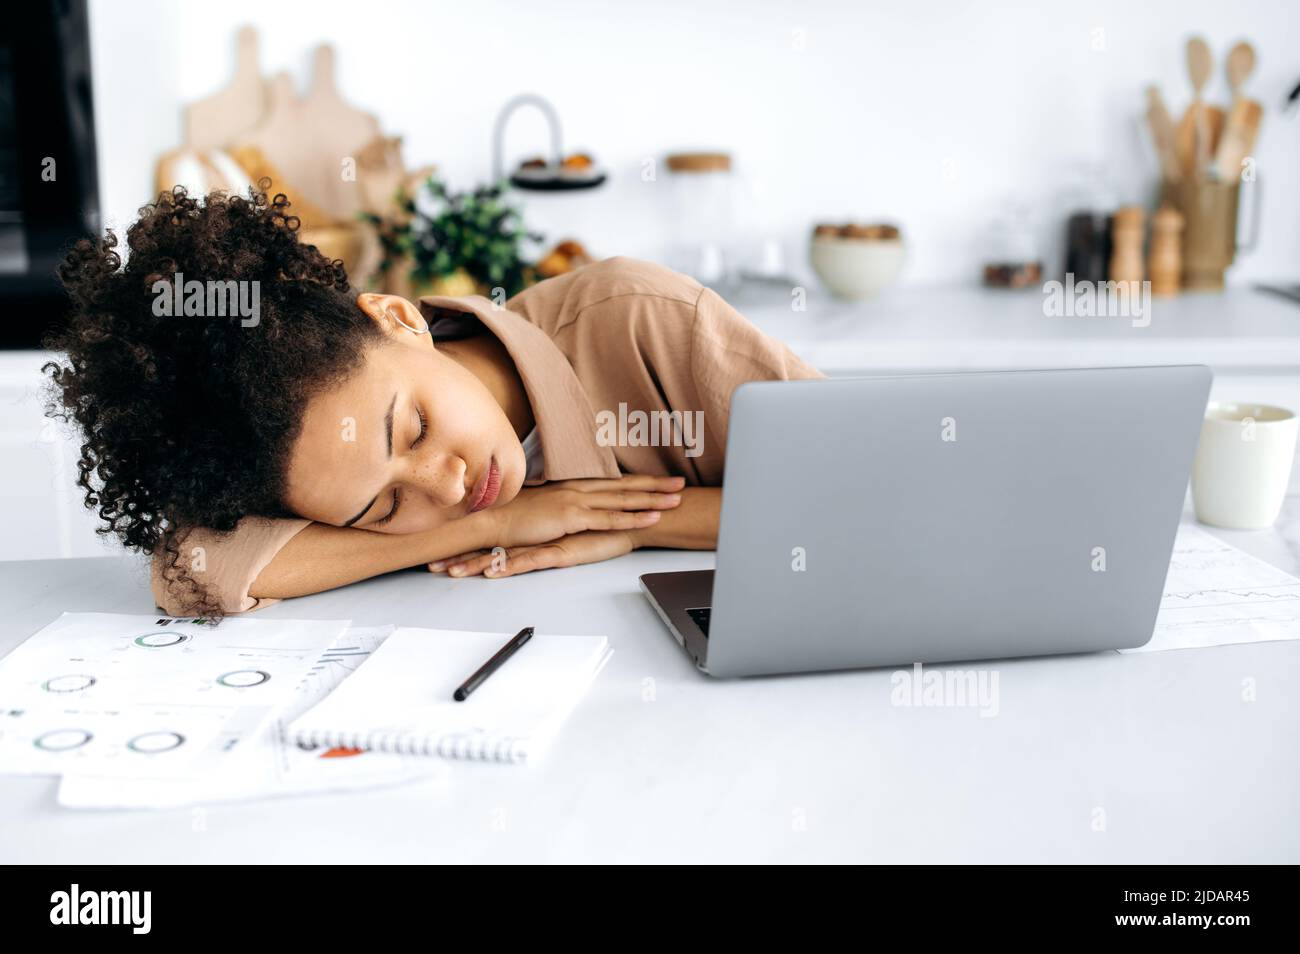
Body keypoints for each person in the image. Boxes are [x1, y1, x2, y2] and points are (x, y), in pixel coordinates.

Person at [44, 186, 822, 617]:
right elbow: (191, 570)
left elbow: (879, 482)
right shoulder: (315, 466)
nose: (445, 485)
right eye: (383, 509)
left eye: (411, 428)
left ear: (400, 318)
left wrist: (618, 524)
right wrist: (499, 523)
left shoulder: (642, 318)